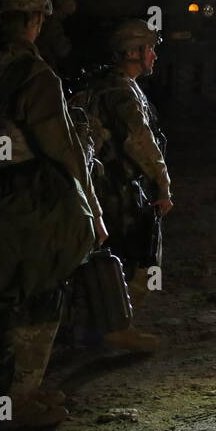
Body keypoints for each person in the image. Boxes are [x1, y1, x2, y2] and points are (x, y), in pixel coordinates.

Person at [0, 0, 108, 426]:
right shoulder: (34, 73)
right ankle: (19, 400)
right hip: (31, 193)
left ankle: (10, 392)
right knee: (40, 292)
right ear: (36, 19)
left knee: (5, 294)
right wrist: (94, 211)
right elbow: (62, 149)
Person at [80, 20, 174, 351]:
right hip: (118, 187)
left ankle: (105, 324)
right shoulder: (122, 92)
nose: (154, 55)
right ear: (132, 53)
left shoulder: (104, 84)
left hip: (100, 186)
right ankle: (119, 327)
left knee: (114, 255)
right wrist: (162, 183)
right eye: (149, 49)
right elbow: (139, 140)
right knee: (142, 258)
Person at [35, 0, 77, 75]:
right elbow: (62, 51)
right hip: (44, 66)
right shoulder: (53, 25)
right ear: (60, 10)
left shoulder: (42, 19)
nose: (65, 18)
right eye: (66, 15)